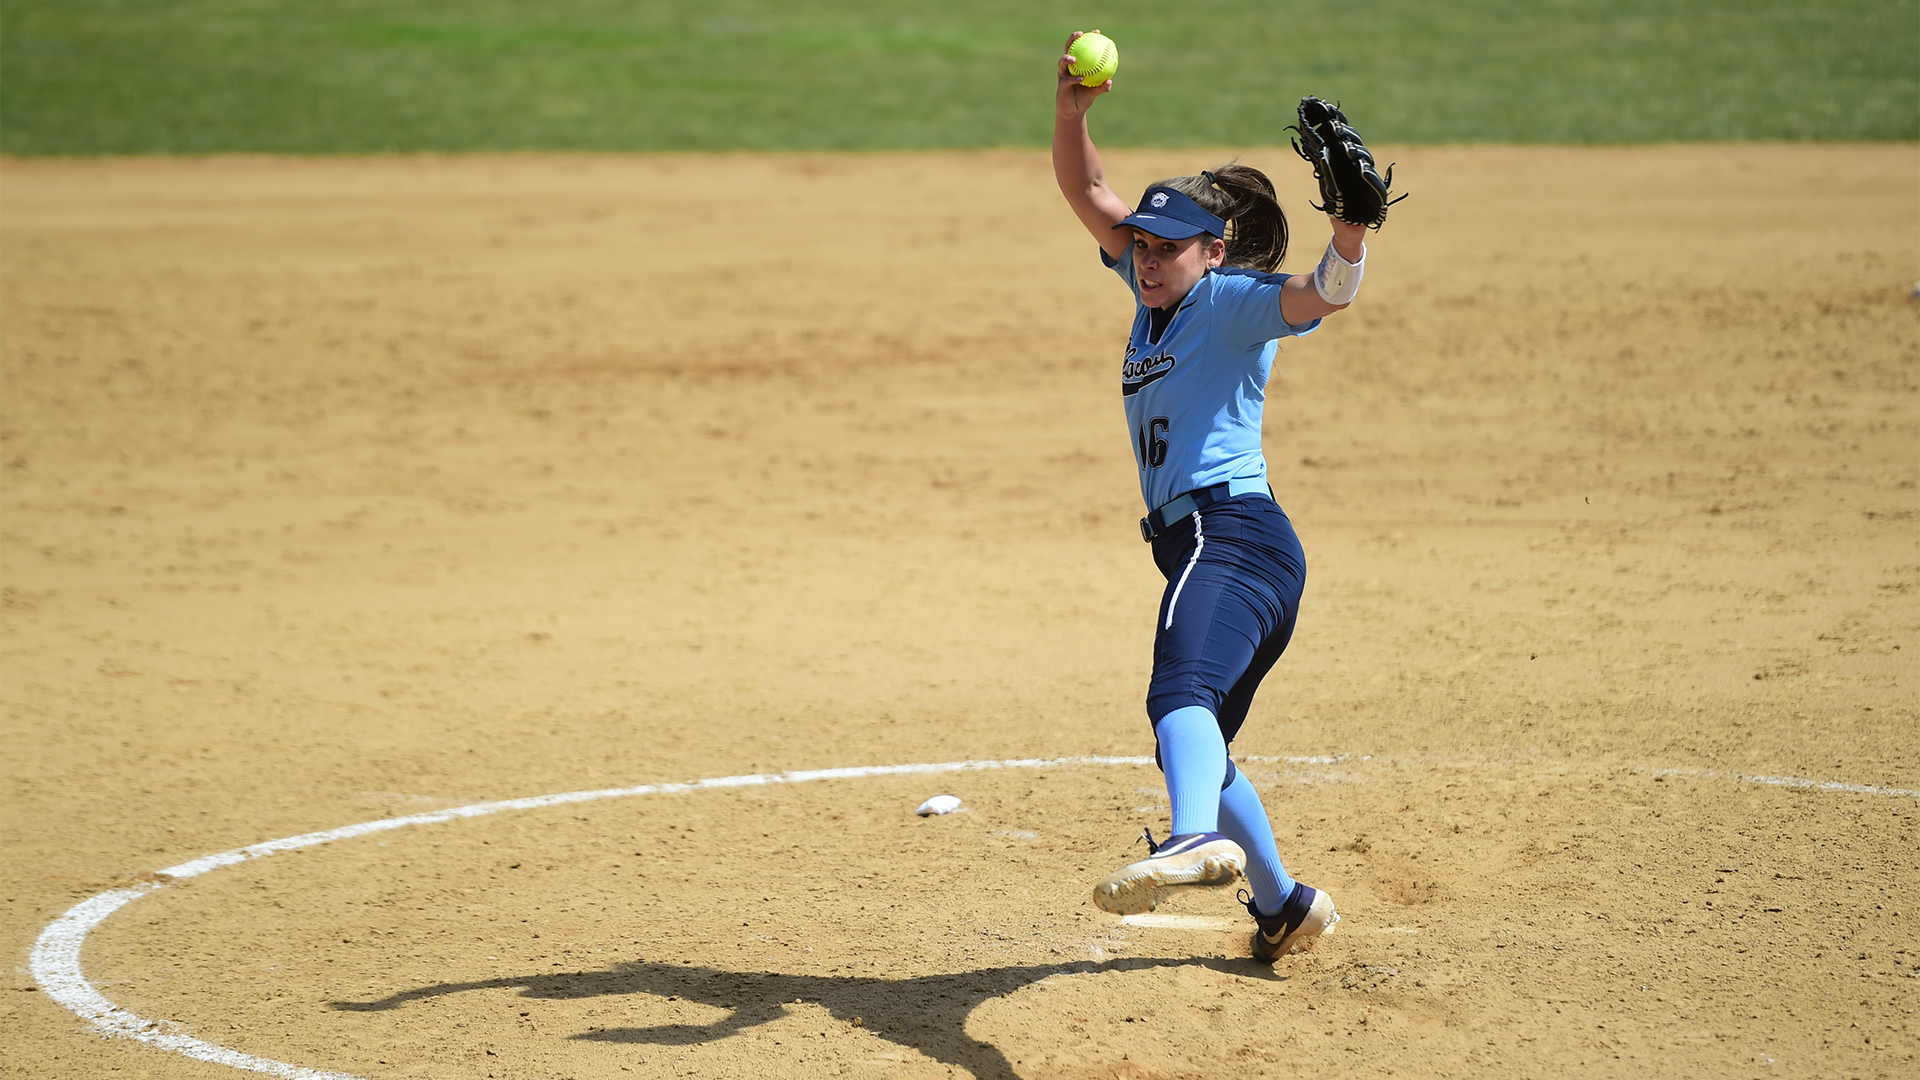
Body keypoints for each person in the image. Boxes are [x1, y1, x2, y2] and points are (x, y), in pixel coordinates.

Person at [1052, 30, 1371, 962]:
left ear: (1213, 249)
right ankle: (1282, 905)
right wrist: (1072, 114)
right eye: (1141, 247)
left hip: (1226, 538)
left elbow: (1326, 295)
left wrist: (1351, 232)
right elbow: (1086, 194)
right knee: (1199, 734)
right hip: (1230, 550)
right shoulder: (1153, 295)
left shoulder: (1230, 302)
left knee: (1178, 694)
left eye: (1167, 248)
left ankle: (1196, 838)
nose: (1147, 260)